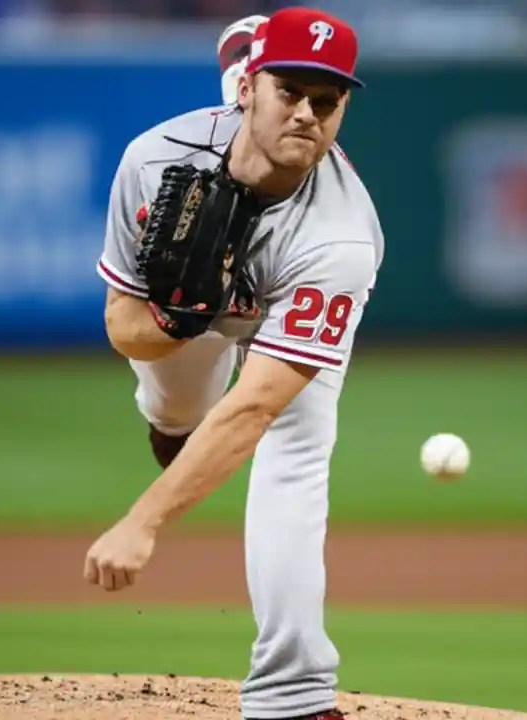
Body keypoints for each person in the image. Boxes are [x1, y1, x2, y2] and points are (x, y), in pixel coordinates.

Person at [83, 7, 383, 719]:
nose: (308, 113)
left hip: (286, 302)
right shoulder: (157, 159)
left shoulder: (341, 241)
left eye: (328, 100)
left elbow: (251, 409)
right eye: (290, 91)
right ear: (247, 88)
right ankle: (173, 424)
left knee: (296, 449)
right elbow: (122, 327)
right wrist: (174, 323)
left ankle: (294, 693)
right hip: (185, 316)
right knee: (175, 410)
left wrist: (143, 521)